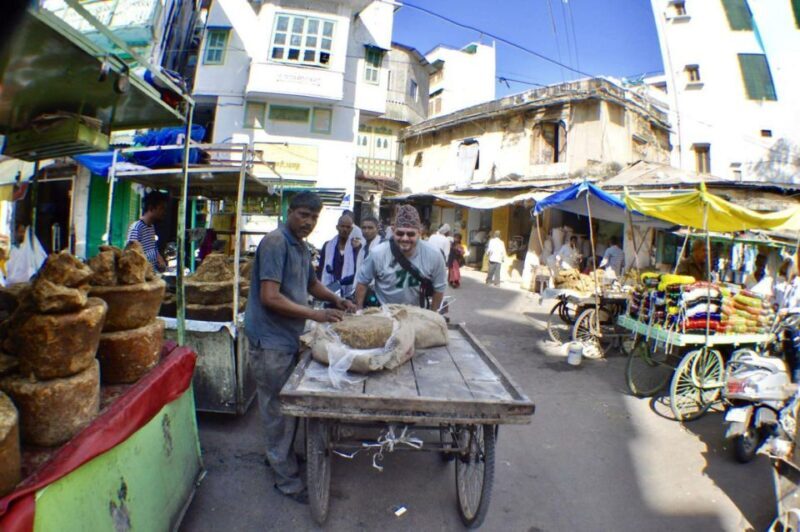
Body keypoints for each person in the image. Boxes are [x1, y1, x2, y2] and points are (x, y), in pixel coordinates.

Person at [244, 191, 355, 504]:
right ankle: (286, 480)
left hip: (288, 337)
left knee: (287, 404)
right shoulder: (276, 242)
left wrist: (335, 298)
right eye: (303, 215)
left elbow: (310, 284)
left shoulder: (301, 247)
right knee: (276, 411)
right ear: (289, 212)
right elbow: (270, 297)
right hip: (269, 341)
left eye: (314, 217)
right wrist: (316, 314)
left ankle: (281, 457)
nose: (308, 222)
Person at [354, 204, 446, 310]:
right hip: (385, 314)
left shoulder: (434, 255)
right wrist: (359, 310)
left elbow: (439, 288)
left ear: (419, 233)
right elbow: (362, 282)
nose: (405, 238)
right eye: (400, 233)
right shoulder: (377, 254)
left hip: (417, 315)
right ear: (393, 231)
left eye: (411, 234)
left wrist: (433, 316)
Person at [317, 213, 359, 299]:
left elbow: (359, 270)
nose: (344, 229)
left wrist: (357, 249)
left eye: (348, 227)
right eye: (342, 226)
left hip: (350, 291)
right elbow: (321, 269)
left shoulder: (356, 247)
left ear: (351, 229)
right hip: (330, 288)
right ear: (337, 227)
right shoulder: (328, 245)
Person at [127, 191, 167, 272]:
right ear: (151, 208)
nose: (164, 212)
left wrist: (160, 260)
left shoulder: (151, 226)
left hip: (152, 274)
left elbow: (153, 248)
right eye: (161, 208)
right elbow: (132, 256)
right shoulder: (136, 228)